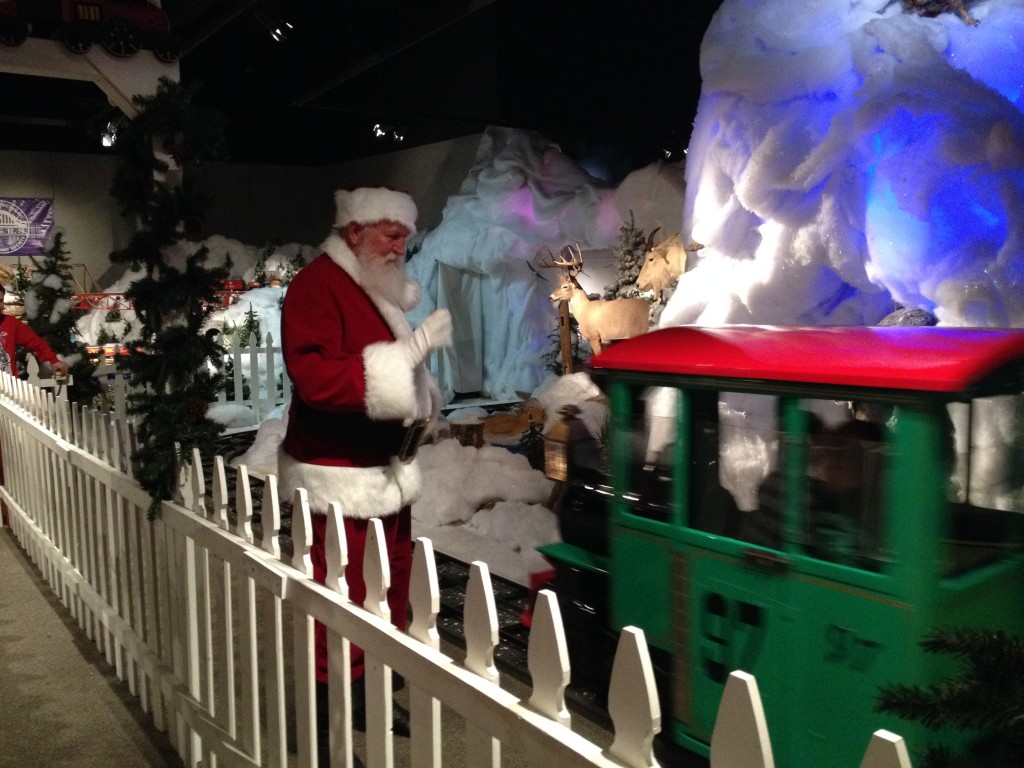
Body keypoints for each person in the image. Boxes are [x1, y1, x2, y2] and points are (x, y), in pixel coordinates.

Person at [278, 186, 451, 764]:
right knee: (342, 602)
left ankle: (366, 696)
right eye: (390, 233)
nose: (402, 243)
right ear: (354, 231)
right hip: (340, 478)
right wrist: (405, 365)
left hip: (385, 473)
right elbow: (317, 377)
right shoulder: (316, 286)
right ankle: (331, 729)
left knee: (387, 591)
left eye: (405, 234)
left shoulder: (374, 285)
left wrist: (423, 396)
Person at [0, 284, 70, 527]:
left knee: (8, 456)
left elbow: (36, 343)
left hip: (8, 396)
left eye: (1, 300)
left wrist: (53, 360)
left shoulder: (10, 325)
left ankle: (10, 515)